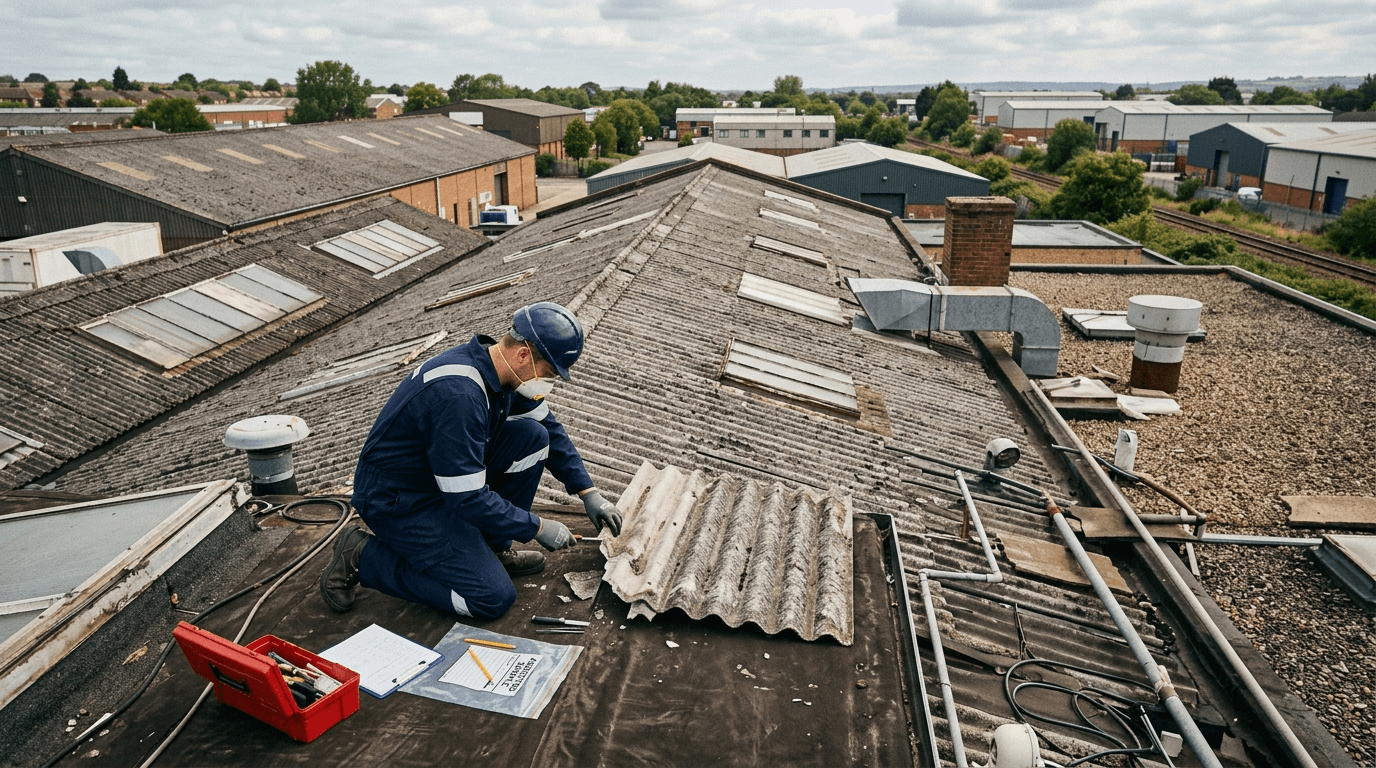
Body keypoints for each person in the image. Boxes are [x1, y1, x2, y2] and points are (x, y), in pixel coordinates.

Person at [320, 302, 622, 619]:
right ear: (524, 355)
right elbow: (467, 498)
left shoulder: (501, 371)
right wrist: (536, 527)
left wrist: (588, 492)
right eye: (548, 374)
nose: (547, 382)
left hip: (437, 480)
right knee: (491, 599)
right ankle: (363, 556)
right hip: (399, 500)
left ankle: (491, 549)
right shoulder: (459, 395)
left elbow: (549, 429)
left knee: (533, 438)